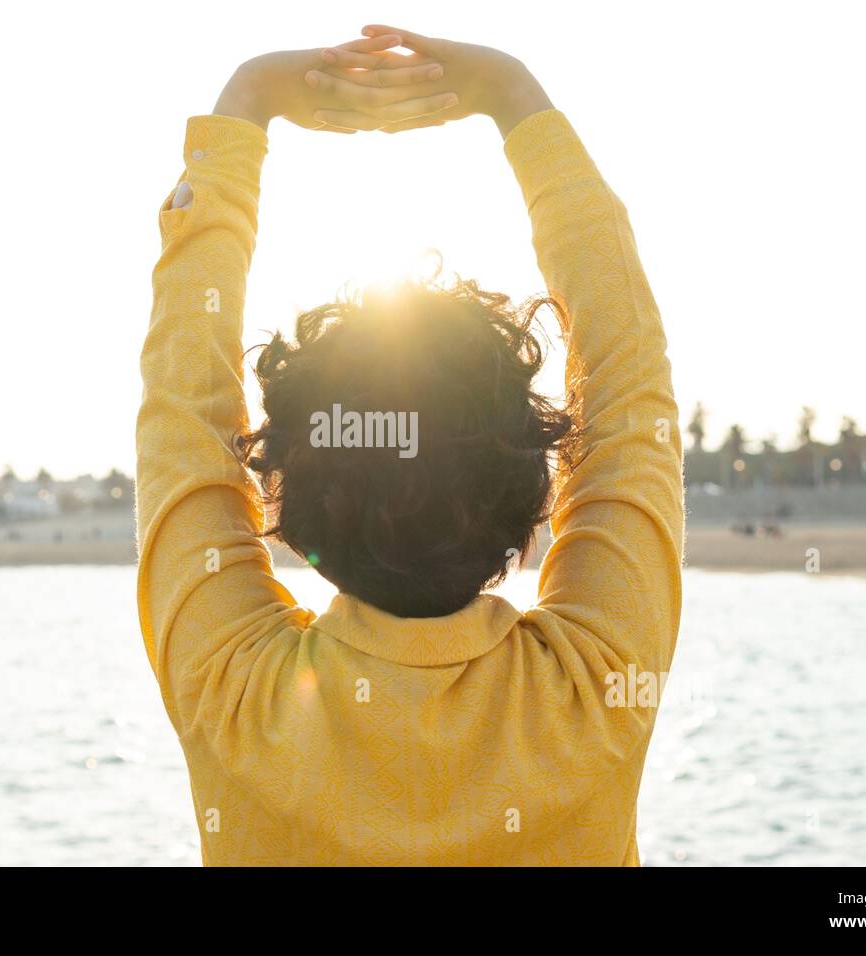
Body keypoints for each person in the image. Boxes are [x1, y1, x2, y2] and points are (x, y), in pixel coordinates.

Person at [135, 25, 684, 865]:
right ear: (533, 500)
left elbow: (185, 411)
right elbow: (629, 378)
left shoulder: (231, 693)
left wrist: (243, 110)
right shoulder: (598, 687)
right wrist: (514, 101)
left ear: (285, 496)